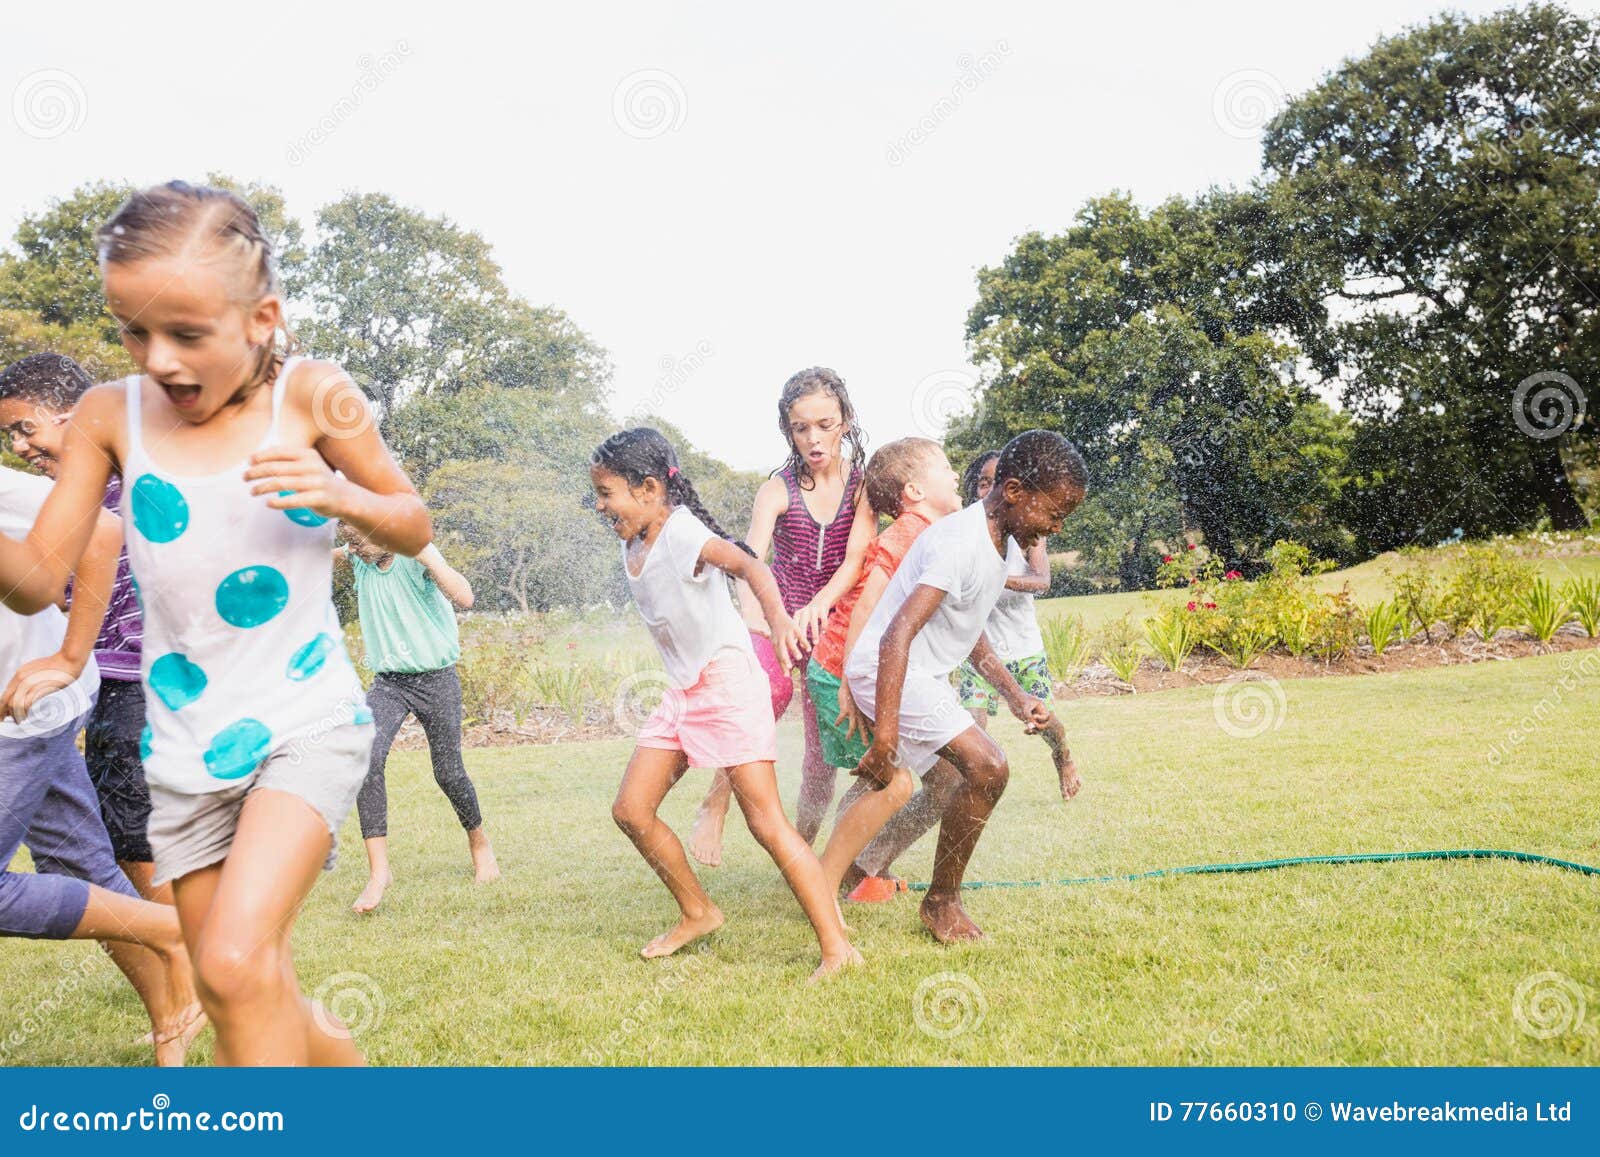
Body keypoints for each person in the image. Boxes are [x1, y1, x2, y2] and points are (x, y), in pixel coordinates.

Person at [0, 180, 432, 1065]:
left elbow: (411, 518)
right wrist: (68, 652)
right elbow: (40, 576)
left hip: (304, 722)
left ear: (261, 316)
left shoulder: (315, 395)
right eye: (132, 330)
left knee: (233, 962)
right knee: (244, 985)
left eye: (187, 333)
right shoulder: (105, 414)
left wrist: (340, 492)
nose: (157, 358)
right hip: (184, 749)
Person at [591, 427, 859, 979]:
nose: (599, 505)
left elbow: (750, 565)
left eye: (606, 492)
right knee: (631, 810)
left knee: (766, 823)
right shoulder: (633, 540)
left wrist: (781, 622)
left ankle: (838, 947)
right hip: (685, 691)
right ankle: (698, 910)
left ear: (646, 489)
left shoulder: (683, 533)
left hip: (729, 686)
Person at [845, 430, 1088, 942]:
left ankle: (844, 870)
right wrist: (885, 736)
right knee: (989, 766)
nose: (1056, 527)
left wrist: (1014, 694)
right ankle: (941, 902)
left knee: (949, 784)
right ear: (1016, 492)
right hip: (887, 666)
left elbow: (969, 630)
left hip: (914, 671)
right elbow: (896, 635)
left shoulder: (996, 543)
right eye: (1054, 513)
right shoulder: (960, 541)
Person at [0, 462, 201, 1065]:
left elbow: (102, 530)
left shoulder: (14, 492)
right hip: (32, 706)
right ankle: (174, 1014)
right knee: (84, 864)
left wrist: (69, 654)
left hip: (29, 706)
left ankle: (174, 931)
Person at [688, 367, 876, 865]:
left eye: (825, 424)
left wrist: (818, 607)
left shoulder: (862, 489)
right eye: (800, 428)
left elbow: (856, 561)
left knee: (819, 764)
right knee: (770, 691)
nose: (813, 439)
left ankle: (803, 855)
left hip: (831, 627)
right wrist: (771, 624)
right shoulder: (778, 489)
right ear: (787, 431)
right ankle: (717, 798)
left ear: (846, 421)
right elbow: (750, 563)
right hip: (769, 617)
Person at [798, 438, 963, 904]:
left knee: (904, 776)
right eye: (946, 467)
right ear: (913, 491)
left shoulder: (933, 533)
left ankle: (856, 867)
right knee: (889, 778)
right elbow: (867, 605)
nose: (955, 476)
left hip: (859, 670)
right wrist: (851, 682)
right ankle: (830, 876)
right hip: (841, 671)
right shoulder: (911, 531)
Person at [335, 528, 498, 913]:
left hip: (436, 678)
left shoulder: (415, 556)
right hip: (388, 682)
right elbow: (330, 555)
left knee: (449, 772)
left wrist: (428, 556)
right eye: (350, 544)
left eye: (358, 542)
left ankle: (479, 843)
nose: (353, 551)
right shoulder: (362, 556)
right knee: (366, 758)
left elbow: (465, 597)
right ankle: (379, 873)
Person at [953, 451, 1080, 799]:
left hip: (1024, 649)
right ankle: (971, 790)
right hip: (980, 653)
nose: (987, 489)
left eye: (995, 482)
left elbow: (1041, 580)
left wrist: (997, 578)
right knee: (971, 724)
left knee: (1044, 722)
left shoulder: (1030, 530)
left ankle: (1063, 756)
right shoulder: (967, 532)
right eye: (981, 482)